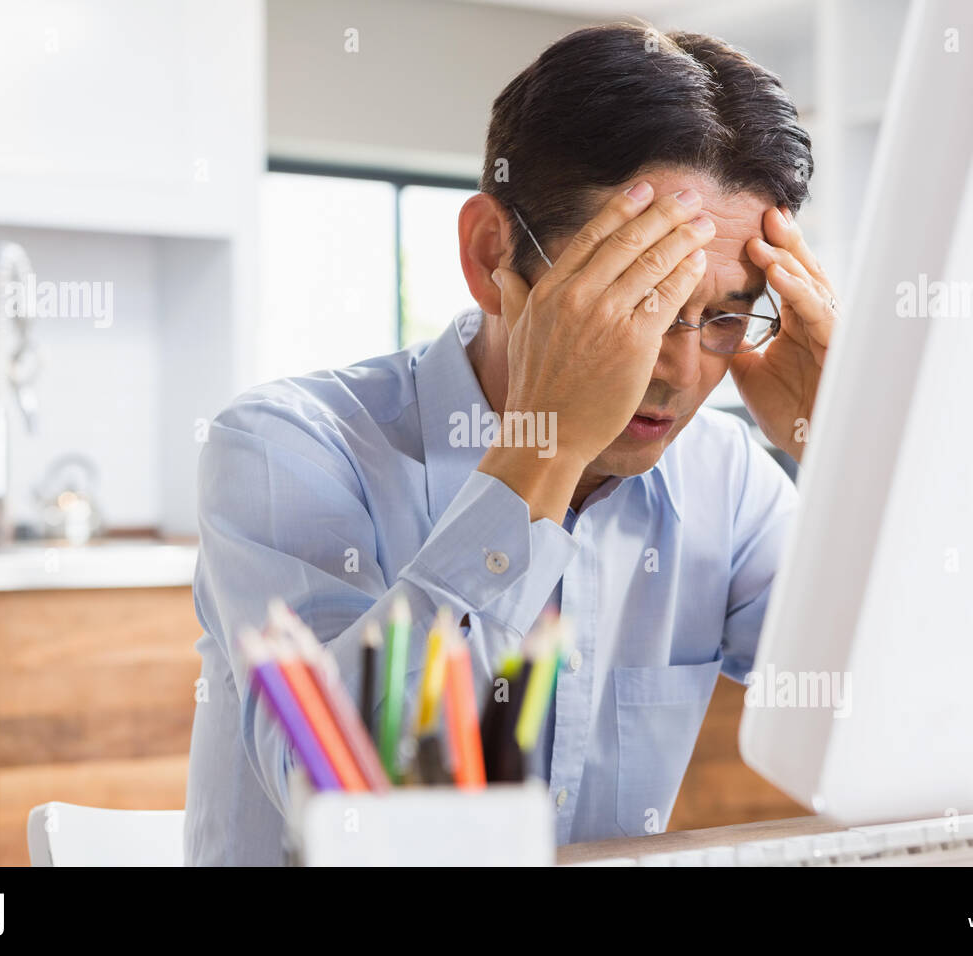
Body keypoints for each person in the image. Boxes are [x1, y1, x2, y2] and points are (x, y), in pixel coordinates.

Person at [184, 22, 839, 864]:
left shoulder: (728, 481)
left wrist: (857, 454)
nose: (679, 369)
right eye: (637, 299)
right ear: (492, 253)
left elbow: (902, 717)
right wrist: (547, 450)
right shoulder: (285, 450)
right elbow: (354, 814)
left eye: (725, 316)